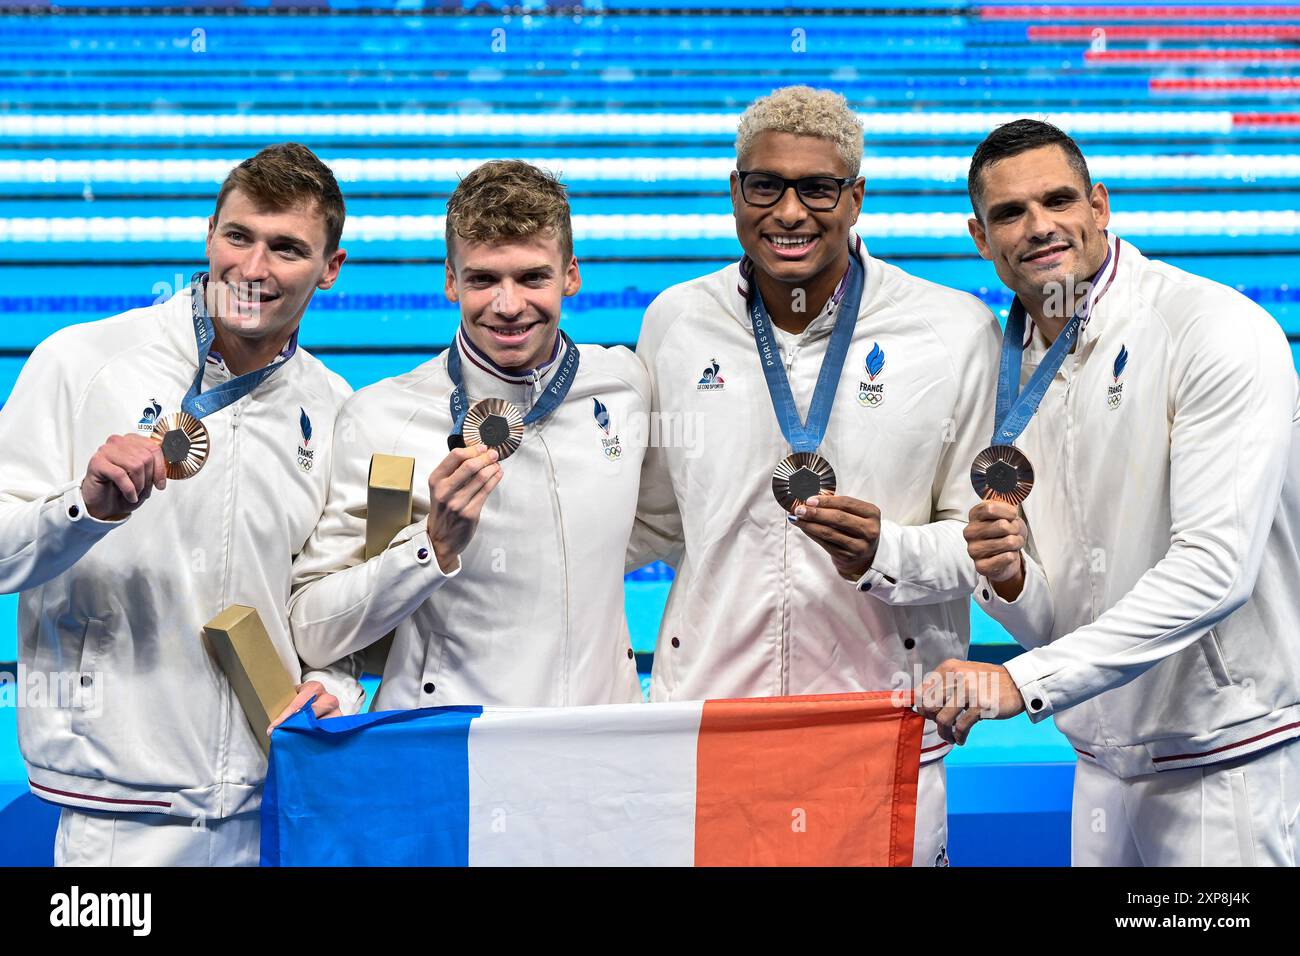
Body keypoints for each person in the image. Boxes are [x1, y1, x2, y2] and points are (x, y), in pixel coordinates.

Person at [630, 86, 1002, 866]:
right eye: (765, 186)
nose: (789, 212)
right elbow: (652, 522)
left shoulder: (952, 330)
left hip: (880, 722)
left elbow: (990, 547)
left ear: (856, 197)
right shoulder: (675, 320)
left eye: (818, 188)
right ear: (735, 194)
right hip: (710, 720)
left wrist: (889, 552)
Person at [920, 119, 1300, 865]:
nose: (1039, 228)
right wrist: (1011, 579)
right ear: (979, 237)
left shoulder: (1211, 329)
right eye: (1009, 214)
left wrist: (1020, 682)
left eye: (1058, 201)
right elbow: (1065, 615)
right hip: (1100, 765)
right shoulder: (1014, 366)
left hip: (1225, 764)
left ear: (1099, 205)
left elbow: (1215, 570)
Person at [0, 143, 364, 866]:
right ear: (209, 234)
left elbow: (327, 603)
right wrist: (84, 508)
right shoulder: (81, 361)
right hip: (119, 812)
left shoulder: (335, 408)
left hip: (269, 807)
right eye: (239, 236)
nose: (253, 269)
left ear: (331, 268)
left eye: (287, 248)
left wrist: (333, 686)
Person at [289, 160, 647, 710]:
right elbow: (313, 628)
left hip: (597, 747)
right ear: (452, 281)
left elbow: (663, 523)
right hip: (446, 750)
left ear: (571, 275)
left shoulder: (625, 387)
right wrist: (430, 546)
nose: (508, 306)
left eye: (532, 277)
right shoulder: (383, 417)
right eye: (483, 279)